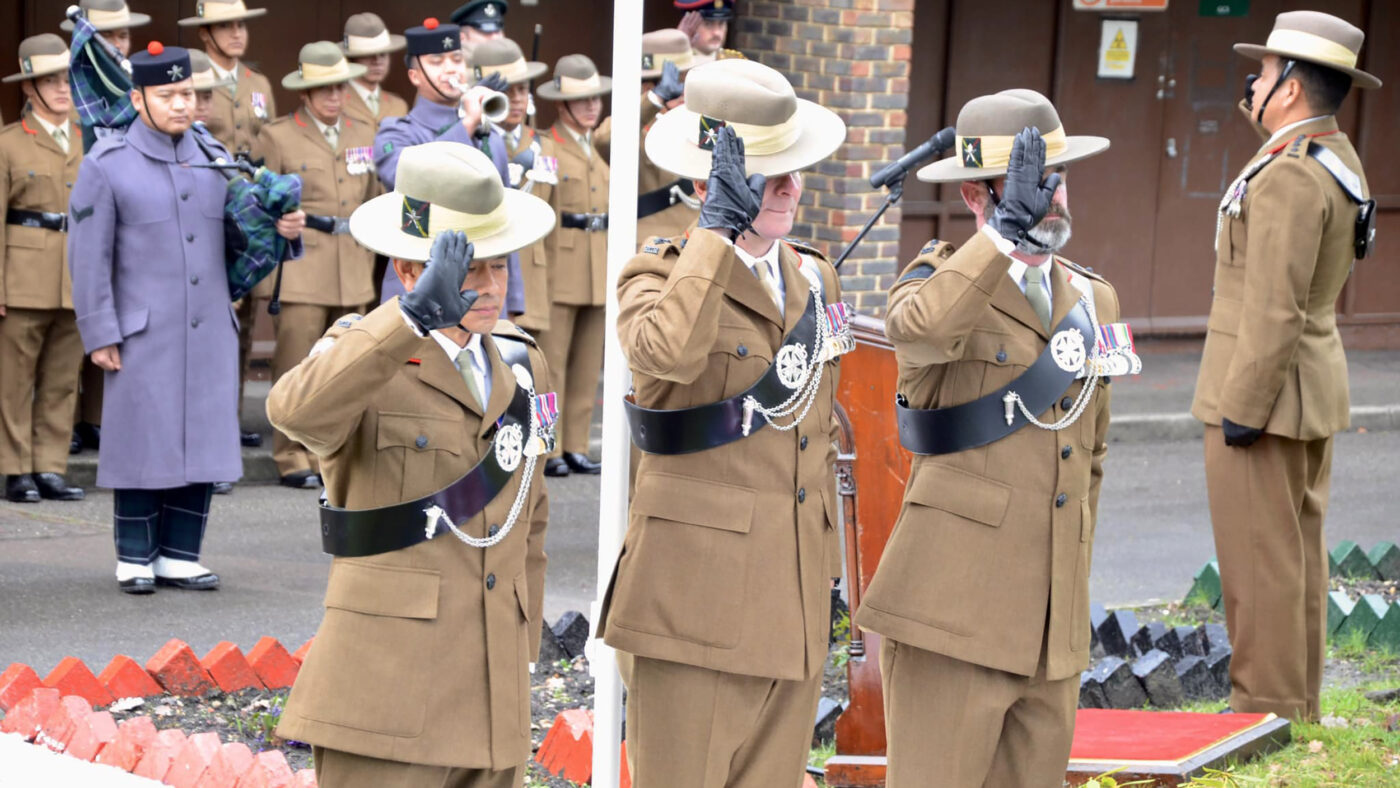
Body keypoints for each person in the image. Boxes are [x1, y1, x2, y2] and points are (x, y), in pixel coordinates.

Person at [854, 90, 1122, 787]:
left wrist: (1066, 599)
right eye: (1027, 181)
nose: (1049, 196)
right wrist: (1002, 238)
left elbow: (1089, 456)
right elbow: (917, 331)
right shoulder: (936, 283)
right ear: (977, 195)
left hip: (1049, 630)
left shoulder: (1094, 299)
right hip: (952, 616)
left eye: (1056, 177)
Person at [268, 141, 555, 788]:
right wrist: (411, 319)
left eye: (500, 265)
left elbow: (531, 516)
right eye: (468, 269)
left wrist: (522, 650)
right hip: (387, 686)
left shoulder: (524, 362)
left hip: (492, 691)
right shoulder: (364, 354)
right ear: (407, 270)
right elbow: (295, 413)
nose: (490, 286)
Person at [597, 58, 850, 788]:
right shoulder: (655, 273)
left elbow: (819, 430)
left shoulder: (814, 276)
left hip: (792, 595)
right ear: (710, 184)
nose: (790, 187)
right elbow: (663, 355)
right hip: (694, 603)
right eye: (768, 175)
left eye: (794, 170)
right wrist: (713, 236)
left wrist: (826, 576)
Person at [1193, 10, 1380, 723]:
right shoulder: (1325, 155)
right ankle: (1293, 704)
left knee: (1258, 560)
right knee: (1293, 553)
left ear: (1293, 88)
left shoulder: (1287, 178)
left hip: (1262, 392)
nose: (1254, 83)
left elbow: (1274, 307)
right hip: (1306, 387)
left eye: (1267, 73)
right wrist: (1269, 127)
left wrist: (1241, 406)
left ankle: (1262, 710)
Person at [68, 41, 304, 594]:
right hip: (143, 330)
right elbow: (88, 256)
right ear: (137, 98)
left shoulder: (214, 157)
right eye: (168, 95)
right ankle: (134, 556)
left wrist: (284, 228)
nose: (182, 104)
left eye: (189, 94)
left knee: (201, 440)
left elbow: (243, 233)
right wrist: (99, 331)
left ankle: (180, 555)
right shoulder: (107, 164)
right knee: (142, 442)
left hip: (209, 326)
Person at [252, 41, 381, 491]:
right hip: (302, 263)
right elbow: (259, 202)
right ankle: (291, 455)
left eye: (340, 87)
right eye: (324, 89)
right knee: (297, 364)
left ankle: (335, 454)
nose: (334, 96)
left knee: (349, 366)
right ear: (305, 92)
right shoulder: (277, 135)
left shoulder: (364, 131)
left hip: (352, 263)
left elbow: (373, 196)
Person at [373, 17, 523, 322]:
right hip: (420, 286)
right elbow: (404, 173)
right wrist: (466, 123)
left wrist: (513, 299)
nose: (451, 69)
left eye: (456, 59)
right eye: (436, 61)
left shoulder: (489, 137)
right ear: (415, 75)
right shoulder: (397, 132)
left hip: (484, 287)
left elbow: (507, 218)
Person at [179, 0, 276, 452]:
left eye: (241, 24)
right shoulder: (189, 78)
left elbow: (268, 145)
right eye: (226, 26)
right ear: (205, 33)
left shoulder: (259, 83)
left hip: (246, 215)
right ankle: (199, 423)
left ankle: (229, 418)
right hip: (206, 209)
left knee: (244, 326)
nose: (237, 33)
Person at [0, 34, 86, 504]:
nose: (61, 88)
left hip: (76, 274)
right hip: (23, 276)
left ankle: (50, 466)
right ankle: (14, 469)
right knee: (14, 381)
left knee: (61, 379)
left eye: (66, 79)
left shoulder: (91, 139)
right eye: (49, 81)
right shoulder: (9, 143)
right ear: (29, 87)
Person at [532, 54, 611, 478]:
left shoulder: (597, 147)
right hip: (560, 268)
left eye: (596, 98)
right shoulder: (548, 147)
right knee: (552, 365)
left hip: (598, 265)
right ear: (561, 103)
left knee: (586, 366)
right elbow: (537, 212)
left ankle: (577, 445)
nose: (591, 106)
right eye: (582, 99)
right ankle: (550, 446)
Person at [469, 38, 551, 333]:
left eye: (523, 89)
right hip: (483, 279)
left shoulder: (544, 144)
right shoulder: (469, 141)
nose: (516, 99)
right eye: (506, 90)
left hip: (535, 281)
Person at [636, 29, 700, 245]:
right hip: (653, 246)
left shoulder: (699, 124)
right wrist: (656, 99)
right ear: (648, 87)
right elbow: (605, 142)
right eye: (677, 85)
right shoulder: (636, 127)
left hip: (695, 243)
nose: (684, 92)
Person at [340, 12, 410, 127]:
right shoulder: (335, 103)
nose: (377, 61)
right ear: (351, 59)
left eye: (383, 54)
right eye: (368, 55)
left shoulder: (398, 106)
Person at [59, 0, 150, 57]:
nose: (117, 45)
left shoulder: (134, 79)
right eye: (106, 35)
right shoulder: (75, 80)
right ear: (83, 38)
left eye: (123, 36)